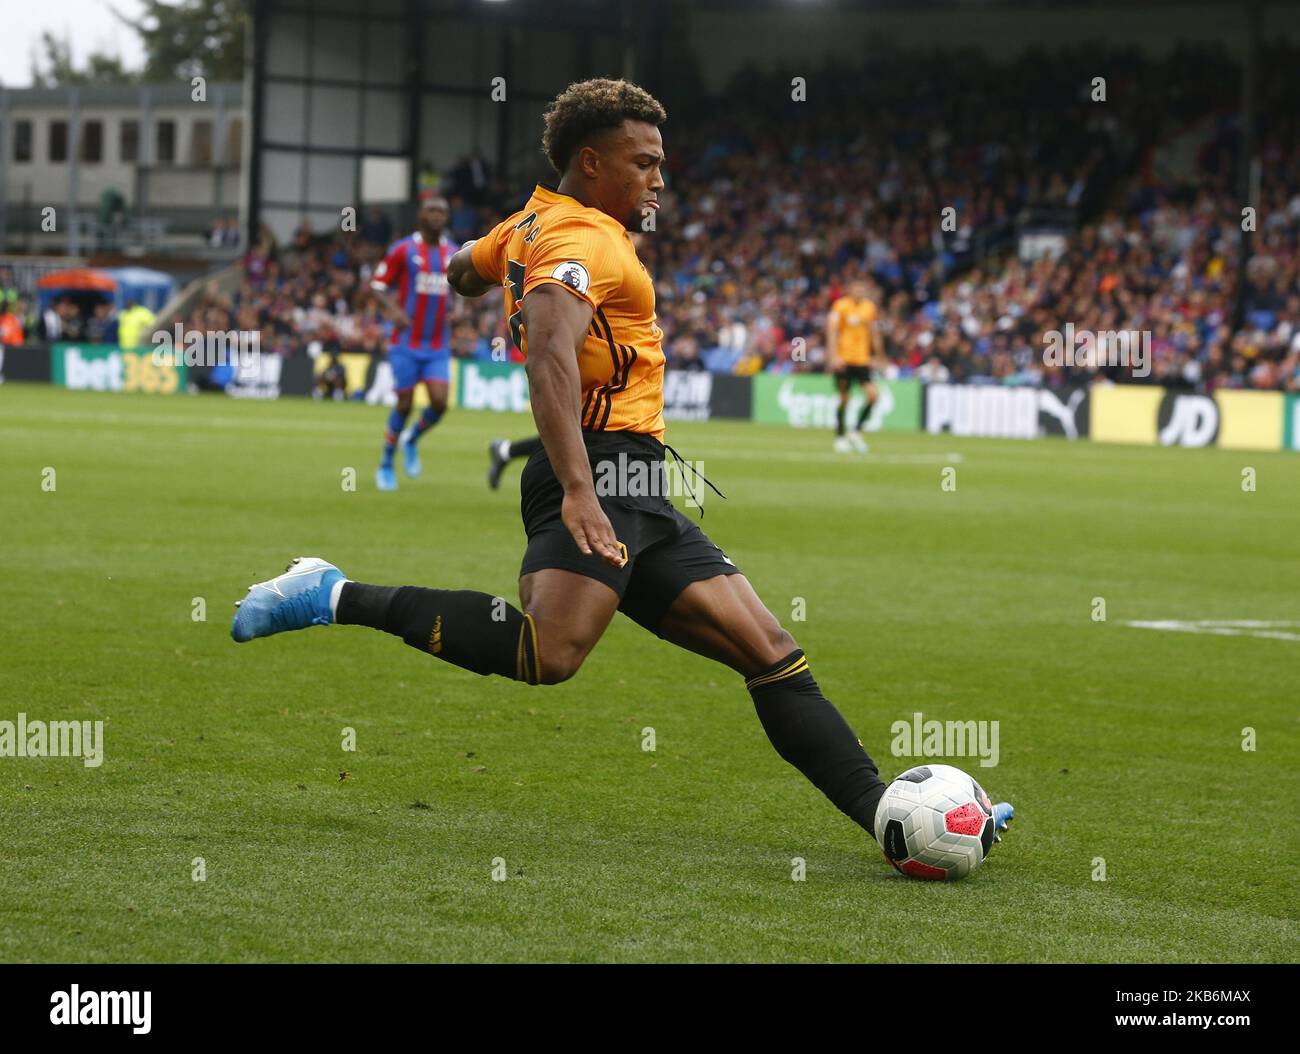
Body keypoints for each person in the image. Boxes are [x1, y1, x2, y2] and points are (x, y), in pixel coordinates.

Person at [230, 78, 1013, 856]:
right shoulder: (582, 240)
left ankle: (890, 816)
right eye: (643, 163)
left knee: (770, 652)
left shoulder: (533, 224)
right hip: (600, 470)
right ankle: (330, 592)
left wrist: (484, 269)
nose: (659, 180)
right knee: (551, 651)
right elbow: (548, 355)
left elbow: (467, 267)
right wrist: (578, 487)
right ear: (590, 162)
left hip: (641, 479)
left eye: (660, 163)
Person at [367, 195, 459, 490]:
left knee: (440, 402)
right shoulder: (403, 250)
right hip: (405, 342)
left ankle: (412, 439)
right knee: (404, 405)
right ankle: (385, 463)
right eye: (431, 210)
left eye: (441, 211)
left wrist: (460, 307)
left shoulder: (454, 253)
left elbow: (465, 288)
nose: (436, 215)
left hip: (436, 345)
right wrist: (393, 311)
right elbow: (378, 285)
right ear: (420, 216)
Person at [826, 277, 880, 453]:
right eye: (856, 289)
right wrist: (834, 356)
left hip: (862, 360)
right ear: (850, 290)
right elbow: (832, 330)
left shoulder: (869, 308)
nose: (859, 292)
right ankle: (840, 436)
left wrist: (878, 355)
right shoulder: (840, 306)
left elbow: (873, 332)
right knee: (844, 398)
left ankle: (856, 431)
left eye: (862, 289)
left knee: (873, 395)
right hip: (844, 359)